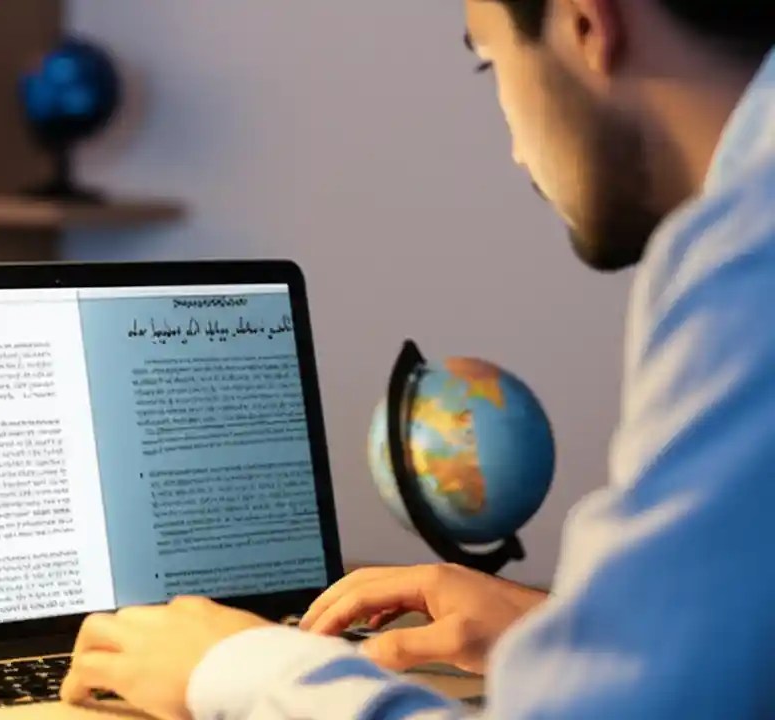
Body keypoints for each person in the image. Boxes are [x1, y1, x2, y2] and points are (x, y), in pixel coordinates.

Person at [59, 1, 775, 717]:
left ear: (588, 23)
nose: (517, 152)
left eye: (489, 62)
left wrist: (233, 671)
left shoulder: (749, 262)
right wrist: (571, 640)